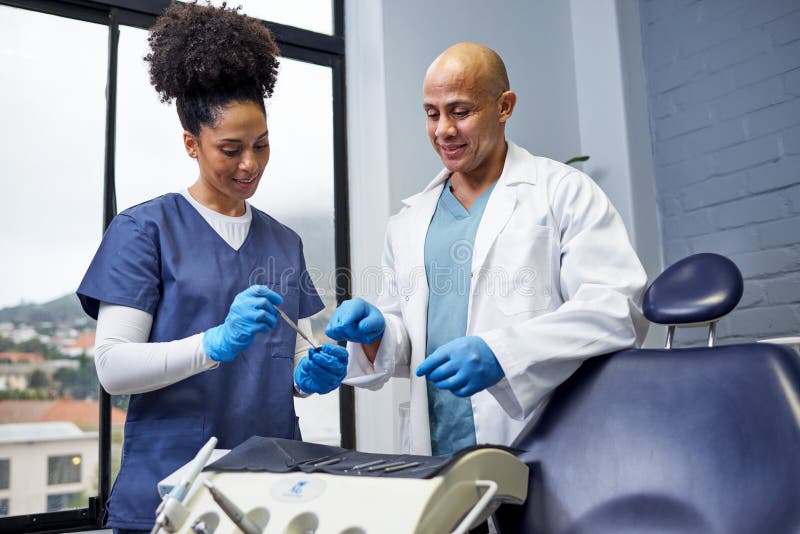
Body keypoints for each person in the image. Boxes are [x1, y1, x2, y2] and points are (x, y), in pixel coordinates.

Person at [76, 3, 347, 531]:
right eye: (230, 149)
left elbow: (289, 365)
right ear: (191, 144)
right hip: (171, 491)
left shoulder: (284, 243)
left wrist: (308, 375)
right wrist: (213, 343)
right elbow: (112, 368)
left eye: (261, 145)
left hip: (271, 489)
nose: (250, 164)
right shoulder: (144, 231)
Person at [327, 42, 649, 456]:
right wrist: (376, 334)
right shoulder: (408, 221)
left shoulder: (562, 192)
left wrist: (503, 353)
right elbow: (409, 343)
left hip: (544, 441)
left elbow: (617, 308)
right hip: (437, 450)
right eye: (432, 113)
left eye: (460, 112)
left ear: (504, 107)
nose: (443, 129)